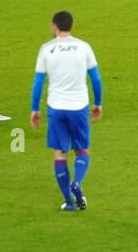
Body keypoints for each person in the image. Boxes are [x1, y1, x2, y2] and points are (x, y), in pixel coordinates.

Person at [30, 11, 103, 212]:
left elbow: (38, 82)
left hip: (56, 107)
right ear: (71, 26)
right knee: (82, 150)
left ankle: (69, 202)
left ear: (54, 26)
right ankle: (77, 182)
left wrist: (34, 109)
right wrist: (98, 103)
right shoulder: (83, 47)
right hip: (79, 107)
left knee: (60, 153)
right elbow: (96, 79)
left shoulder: (46, 49)